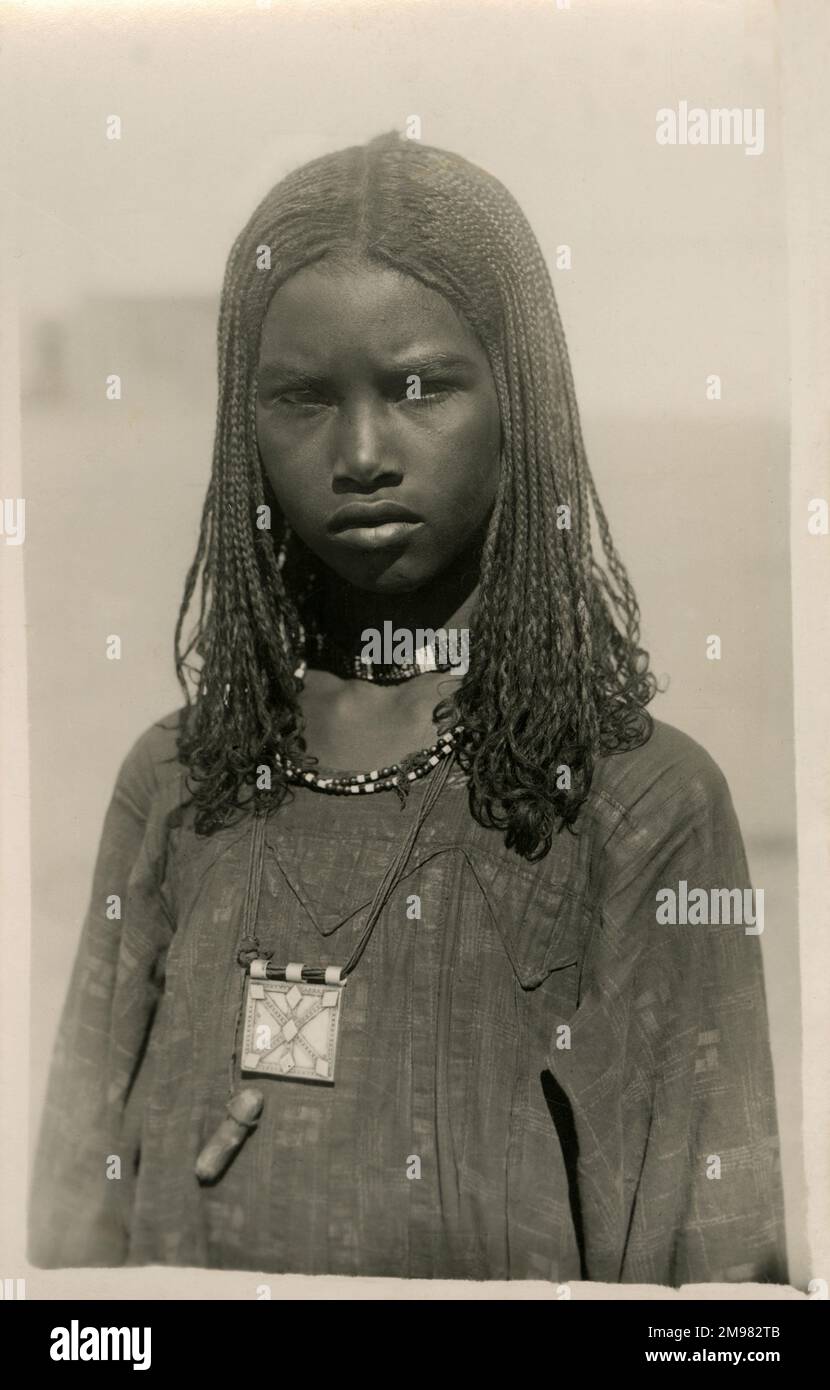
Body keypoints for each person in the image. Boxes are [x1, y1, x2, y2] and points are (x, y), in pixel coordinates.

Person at [29, 132, 787, 1283]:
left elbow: (715, 1296)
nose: (363, 452)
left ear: (516, 404)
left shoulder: (635, 806)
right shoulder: (185, 782)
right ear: (244, 426)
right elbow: (68, 1248)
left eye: (421, 386)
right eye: (300, 398)